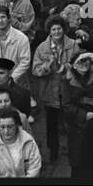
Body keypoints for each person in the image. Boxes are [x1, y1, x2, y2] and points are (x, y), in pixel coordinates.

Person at [30, 15, 79, 162]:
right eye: (54, 29)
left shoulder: (73, 45)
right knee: (51, 126)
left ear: (63, 29)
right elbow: (35, 70)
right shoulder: (42, 48)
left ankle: (72, 151)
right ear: (49, 31)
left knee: (71, 124)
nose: (57, 31)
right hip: (49, 93)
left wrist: (66, 67)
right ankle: (53, 152)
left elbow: (79, 66)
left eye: (59, 28)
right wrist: (47, 66)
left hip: (68, 91)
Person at [0, 110, 41, 178]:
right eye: (2, 127)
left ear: (16, 125)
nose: (6, 131)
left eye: (10, 127)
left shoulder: (28, 141)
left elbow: (34, 169)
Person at [0, 4, 31, 86]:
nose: (0, 20)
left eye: (3, 17)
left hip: (18, 83)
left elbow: (25, 62)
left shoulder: (22, 38)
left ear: (9, 19)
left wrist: (11, 79)